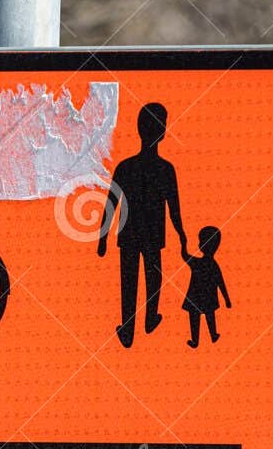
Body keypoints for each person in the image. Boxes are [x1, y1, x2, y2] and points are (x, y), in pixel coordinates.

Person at [97, 103, 189, 348]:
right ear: (162, 131)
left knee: (129, 283)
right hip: (152, 235)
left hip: (128, 234)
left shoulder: (126, 167)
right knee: (153, 277)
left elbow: (110, 205)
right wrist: (182, 236)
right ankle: (150, 319)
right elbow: (174, 209)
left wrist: (102, 237)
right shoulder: (165, 169)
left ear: (139, 129)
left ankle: (128, 331)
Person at [182, 225, 231, 347]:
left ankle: (197, 340)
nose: (199, 243)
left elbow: (185, 255)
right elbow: (221, 283)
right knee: (209, 314)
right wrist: (226, 299)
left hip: (195, 296)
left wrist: (183, 242)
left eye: (201, 241)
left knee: (195, 317)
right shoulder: (213, 265)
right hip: (208, 296)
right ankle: (213, 335)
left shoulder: (198, 263)